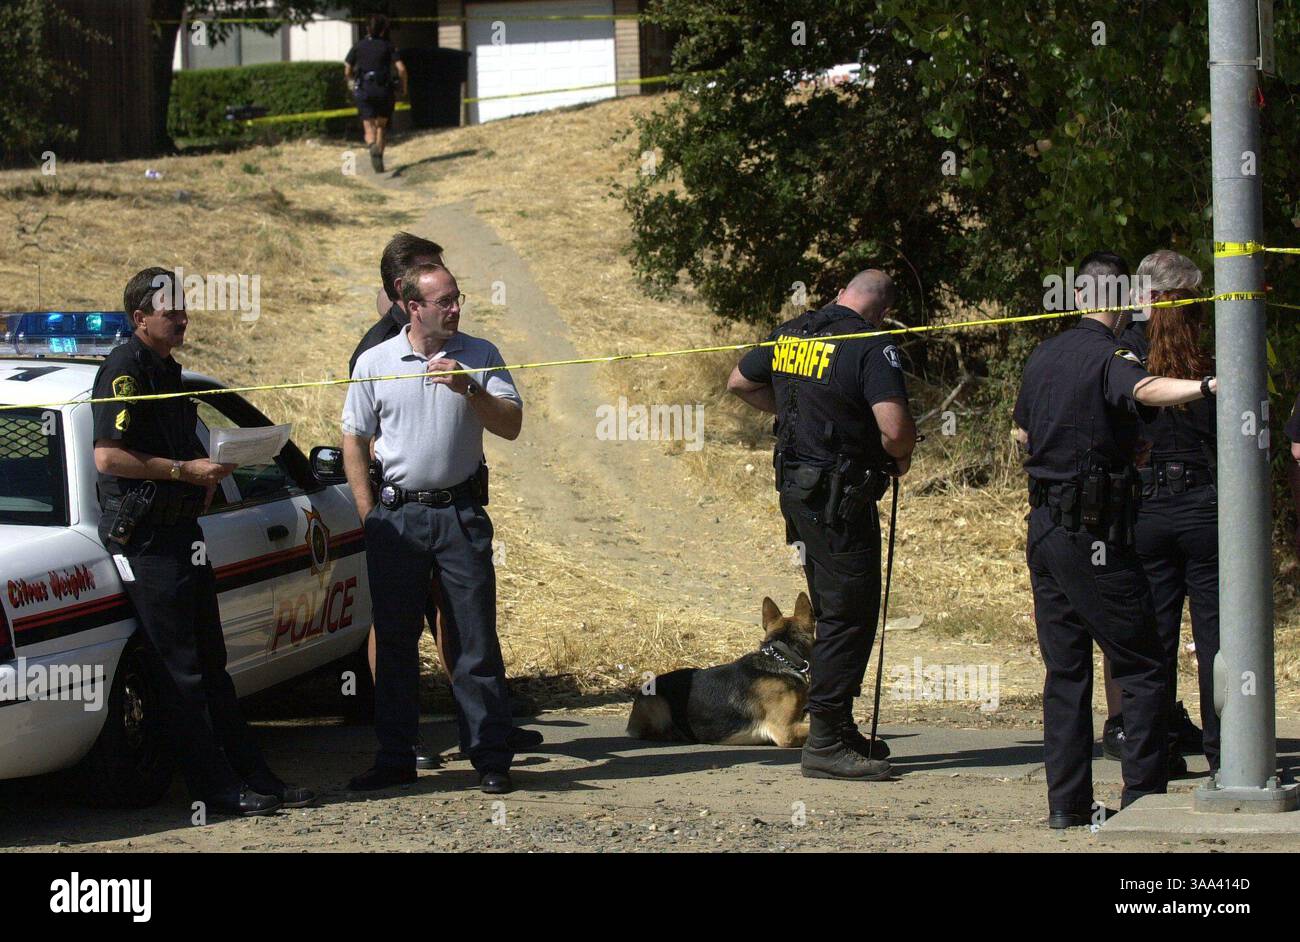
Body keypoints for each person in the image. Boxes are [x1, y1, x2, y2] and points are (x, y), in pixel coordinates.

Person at [92, 267, 314, 817]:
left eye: (185, 308)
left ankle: (252, 774)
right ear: (140, 318)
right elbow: (108, 457)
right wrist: (183, 471)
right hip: (147, 542)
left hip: (182, 532)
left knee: (212, 664)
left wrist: (206, 479)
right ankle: (213, 789)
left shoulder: (169, 369)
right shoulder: (125, 368)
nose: (182, 317)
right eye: (171, 310)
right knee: (182, 669)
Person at [1012, 251, 1217, 828]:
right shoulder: (1112, 355)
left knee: (1067, 671)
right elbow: (1146, 390)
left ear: (1078, 298)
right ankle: (1143, 799)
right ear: (1124, 300)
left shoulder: (1045, 354)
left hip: (1045, 529)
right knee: (1145, 663)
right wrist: (1206, 384)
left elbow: (1024, 428)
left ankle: (1067, 807)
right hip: (1092, 532)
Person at [348, 232, 542, 766]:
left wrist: (471, 389)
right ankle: (395, 757)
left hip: (459, 514)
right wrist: (369, 516)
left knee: (473, 639)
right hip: (397, 518)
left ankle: (489, 756)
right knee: (394, 643)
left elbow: (513, 426)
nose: (455, 308)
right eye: (444, 301)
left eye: (458, 298)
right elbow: (354, 440)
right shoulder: (374, 360)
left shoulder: (480, 354)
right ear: (412, 307)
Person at [728, 269, 916, 781]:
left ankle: (840, 726)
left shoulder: (792, 332)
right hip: (841, 499)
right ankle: (826, 740)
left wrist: (794, 420)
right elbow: (896, 432)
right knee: (848, 616)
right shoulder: (872, 344)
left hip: (799, 494)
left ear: (840, 296)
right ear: (879, 312)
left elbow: (740, 381)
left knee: (834, 609)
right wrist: (895, 453)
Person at [1125, 250, 1218, 771]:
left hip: (1148, 504)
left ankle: (1152, 754)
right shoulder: (1210, 349)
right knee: (1218, 639)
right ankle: (1228, 755)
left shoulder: (1123, 349)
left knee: (1153, 639)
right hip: (1204, 501)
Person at [344, 14, 407, 173]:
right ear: (384, 29)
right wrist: (403, 87)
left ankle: (372, 146)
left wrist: (352, 81)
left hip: (364, 88)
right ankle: (379, 161)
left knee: (368, 127)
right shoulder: (388, 46)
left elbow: (347, 69)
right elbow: (401, 69)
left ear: (367, 28)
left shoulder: (358, 46)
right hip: (384, 90)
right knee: (381, 126)